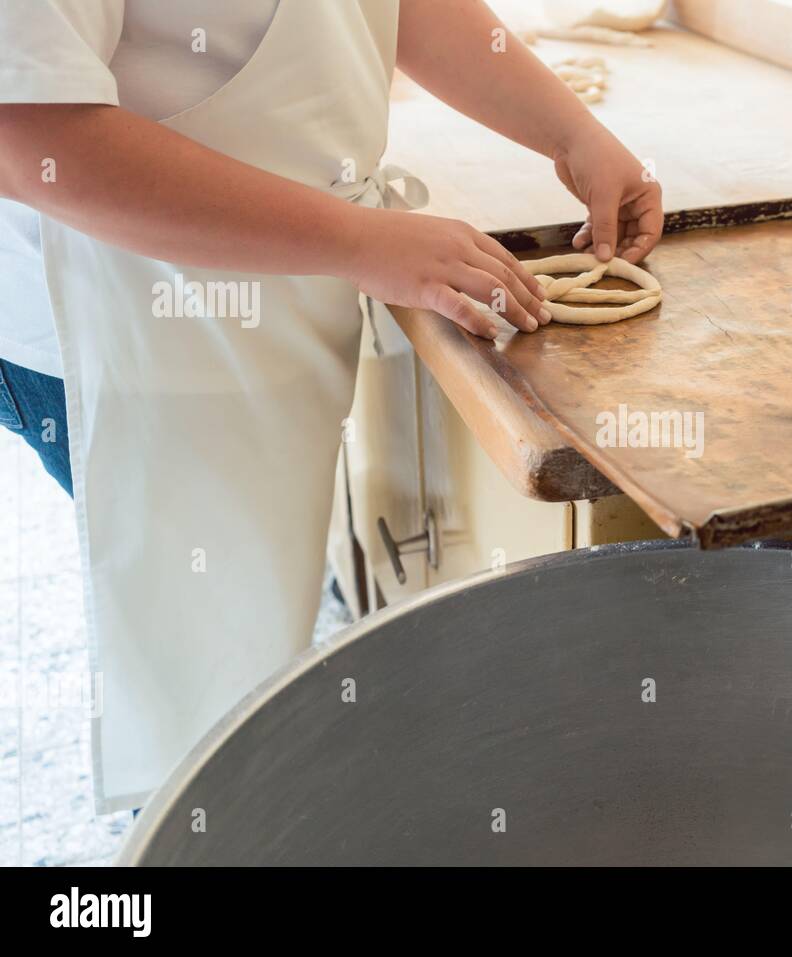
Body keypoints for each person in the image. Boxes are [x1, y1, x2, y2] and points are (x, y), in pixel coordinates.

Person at [0, 0, 664, 813]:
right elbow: (31, 139)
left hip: (273, 284)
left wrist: (571, 132)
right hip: (130, 321)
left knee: (248, 626)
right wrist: (355, 241)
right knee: (199, 670)